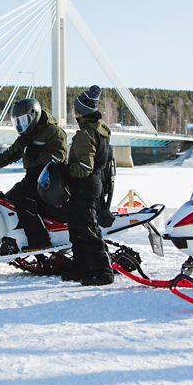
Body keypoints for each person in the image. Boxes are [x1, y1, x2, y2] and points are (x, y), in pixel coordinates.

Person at [0, 98, 66, 251]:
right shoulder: (26, 136)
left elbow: (59, 158)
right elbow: (10, 155)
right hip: (32, 178)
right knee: (5, 201)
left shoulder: (53, 132)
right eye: (17, 122)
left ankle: (40, 241)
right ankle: (12, 238)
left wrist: (36, 153)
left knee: (22, 201)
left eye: (24, 121)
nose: (21, 125)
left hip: (48, 180)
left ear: (34, 115)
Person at [62, 85, 114, 286]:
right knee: (76, 228)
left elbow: (84, 167)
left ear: (82, 112)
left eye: (76, 110)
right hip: (92, 185)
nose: (74, 114)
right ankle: (80, 267)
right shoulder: (100, 131)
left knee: (88, 229)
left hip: (85, 186)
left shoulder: (85, 135)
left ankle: (103, 272)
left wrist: (64, 170)